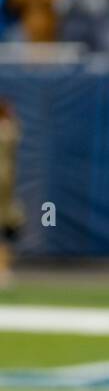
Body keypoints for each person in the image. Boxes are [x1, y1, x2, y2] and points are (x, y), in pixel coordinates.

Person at [0, 100, 22, 289]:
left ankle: (4, 269)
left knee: (8, 230)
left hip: (5, 189)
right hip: (5, 187)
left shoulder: (9, 130)